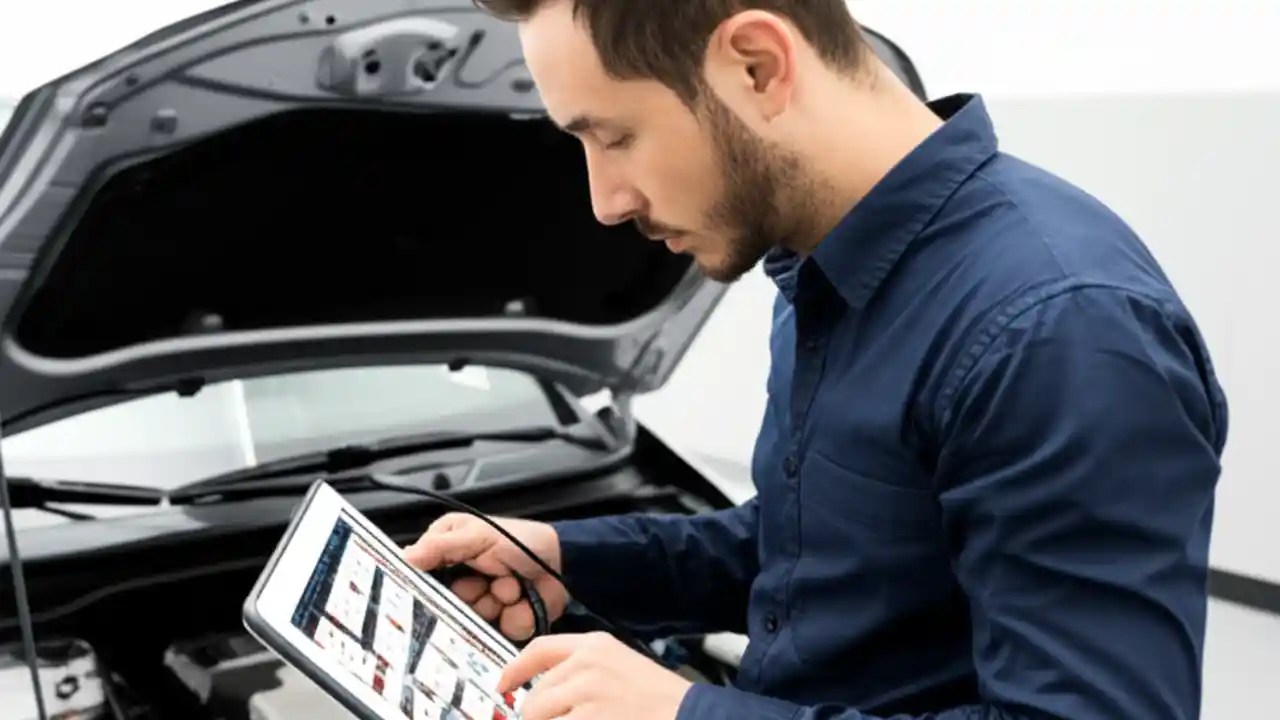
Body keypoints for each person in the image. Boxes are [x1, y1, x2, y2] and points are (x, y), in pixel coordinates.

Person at [404, 1, 1229, 718]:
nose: (605, 201)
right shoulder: (825, 262)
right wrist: (573, 557)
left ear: (758, 67)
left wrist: (685, 712)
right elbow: (815, 552)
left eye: (614, 135)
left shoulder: (1058, 333)